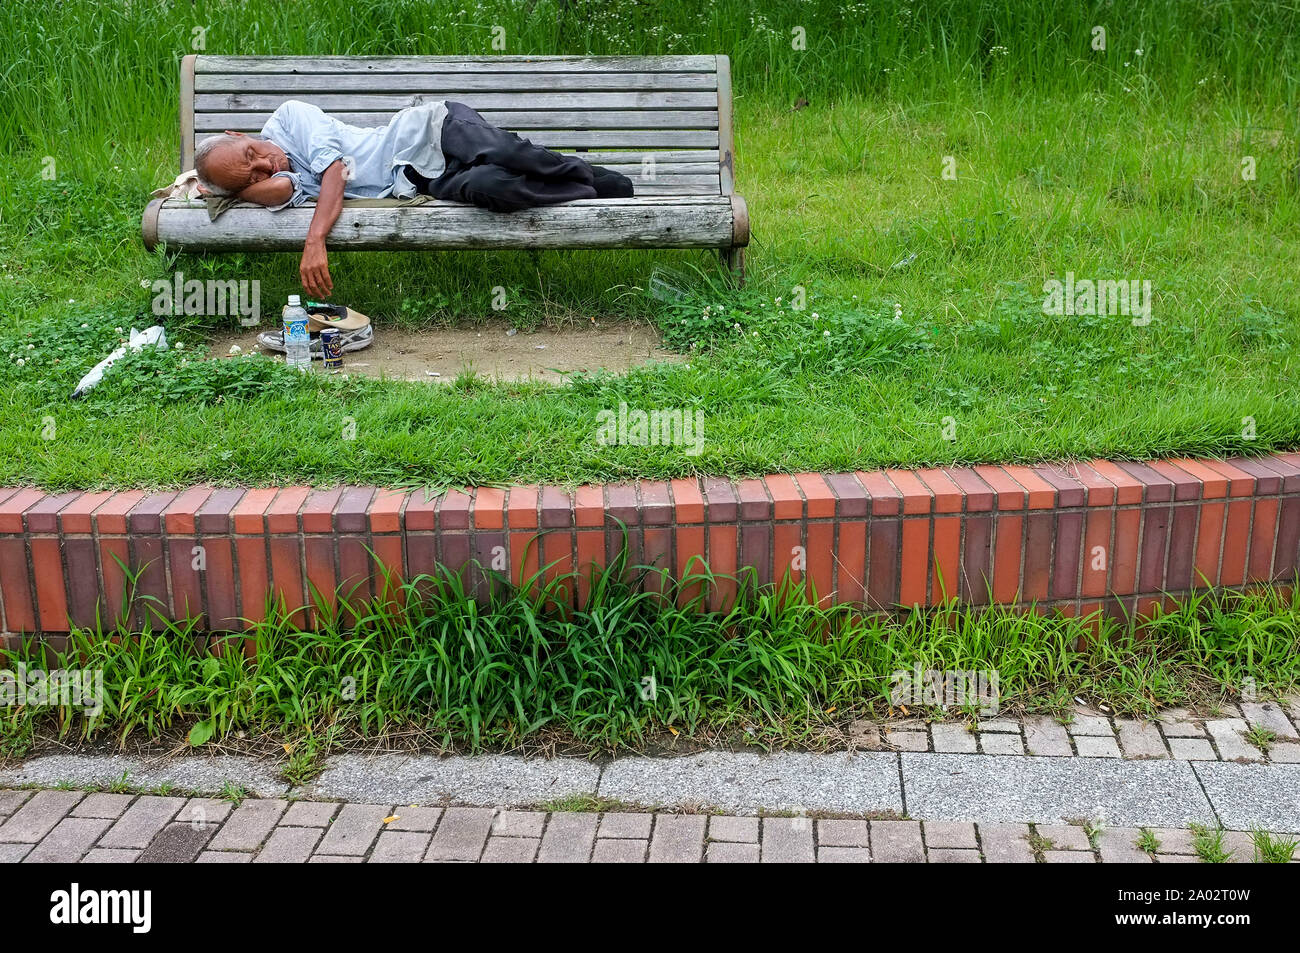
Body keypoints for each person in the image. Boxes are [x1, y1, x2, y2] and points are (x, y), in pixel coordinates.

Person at [194, 99, 634, 297]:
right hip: (420, 182)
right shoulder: (282, 176)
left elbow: (336, 173)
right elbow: (278, 189)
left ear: (239, 133)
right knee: (493, 187)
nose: (265, 166)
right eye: (249, 177)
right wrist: (242, 182)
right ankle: (586, 191)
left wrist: (315, 241)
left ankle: (601, 182)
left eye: (253, 154)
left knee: (503, 152)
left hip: (429, 131)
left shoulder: (291, 119)